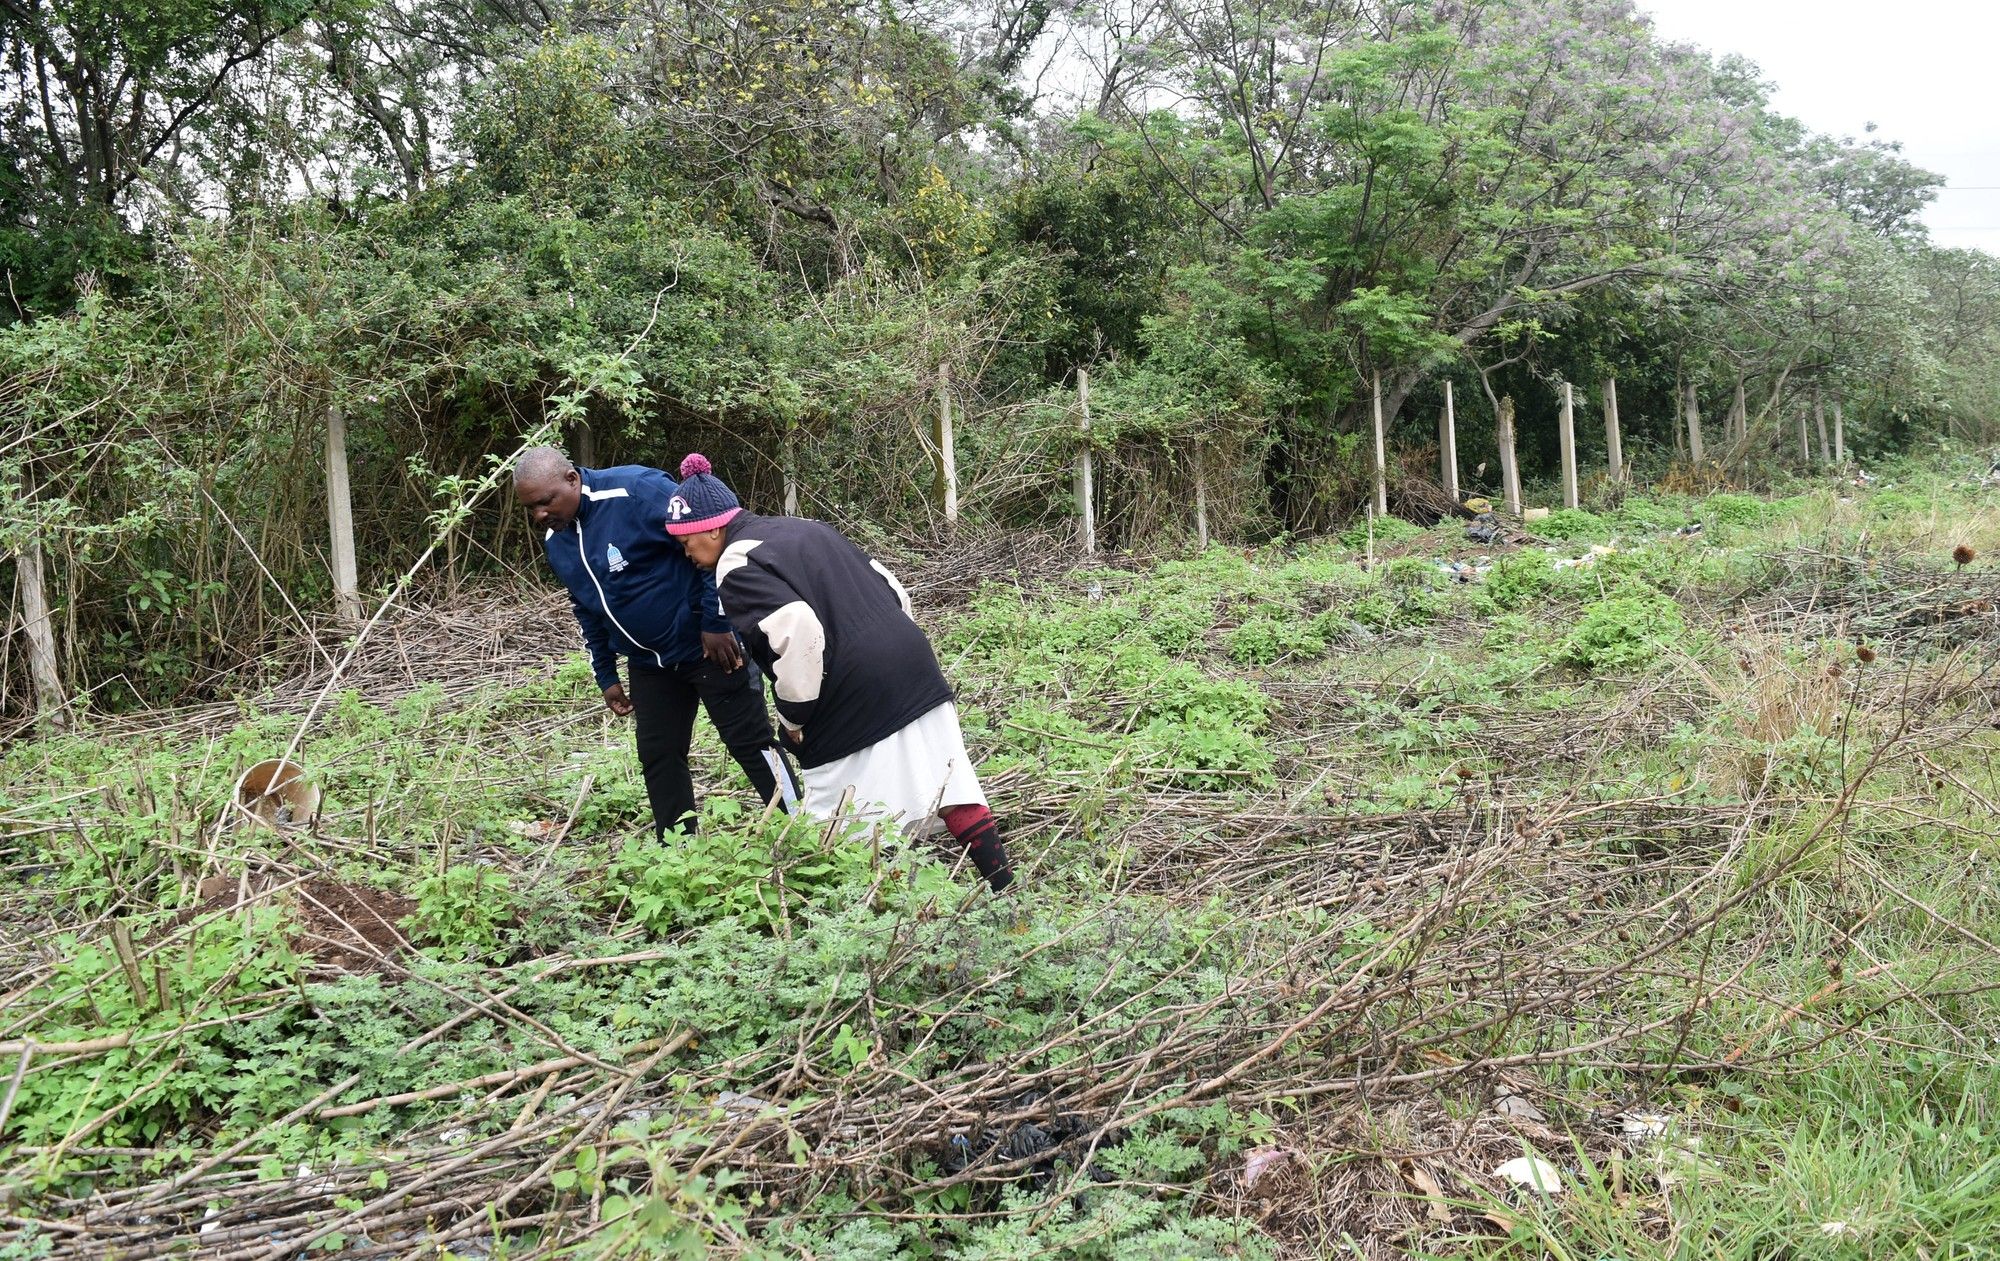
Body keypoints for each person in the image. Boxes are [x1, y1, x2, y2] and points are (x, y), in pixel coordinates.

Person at [662, 453, 1014, 892]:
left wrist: (794, 716)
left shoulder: (735, 562)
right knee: (949, 782)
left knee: (839, 822)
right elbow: (891, 588)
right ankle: (1005, 890)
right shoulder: (805, 527)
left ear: (711, 528)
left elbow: (798, 632)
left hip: (853, 689)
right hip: (913, 665)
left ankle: (870, 922)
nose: (687, 553)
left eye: (686, 541)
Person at [513, 446, 797, 837]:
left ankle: (800, 826)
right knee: (659, 756)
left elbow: (714, 538)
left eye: (546, 502)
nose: (540, 514)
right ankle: (679, 850)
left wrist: (716, 621)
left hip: (709, 650)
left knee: (751, 742)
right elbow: (586, 607)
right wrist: (605, 673)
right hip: (650, 665)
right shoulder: (557, 541)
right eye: (531, 508)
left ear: (572, 478)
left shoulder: (637, 490)